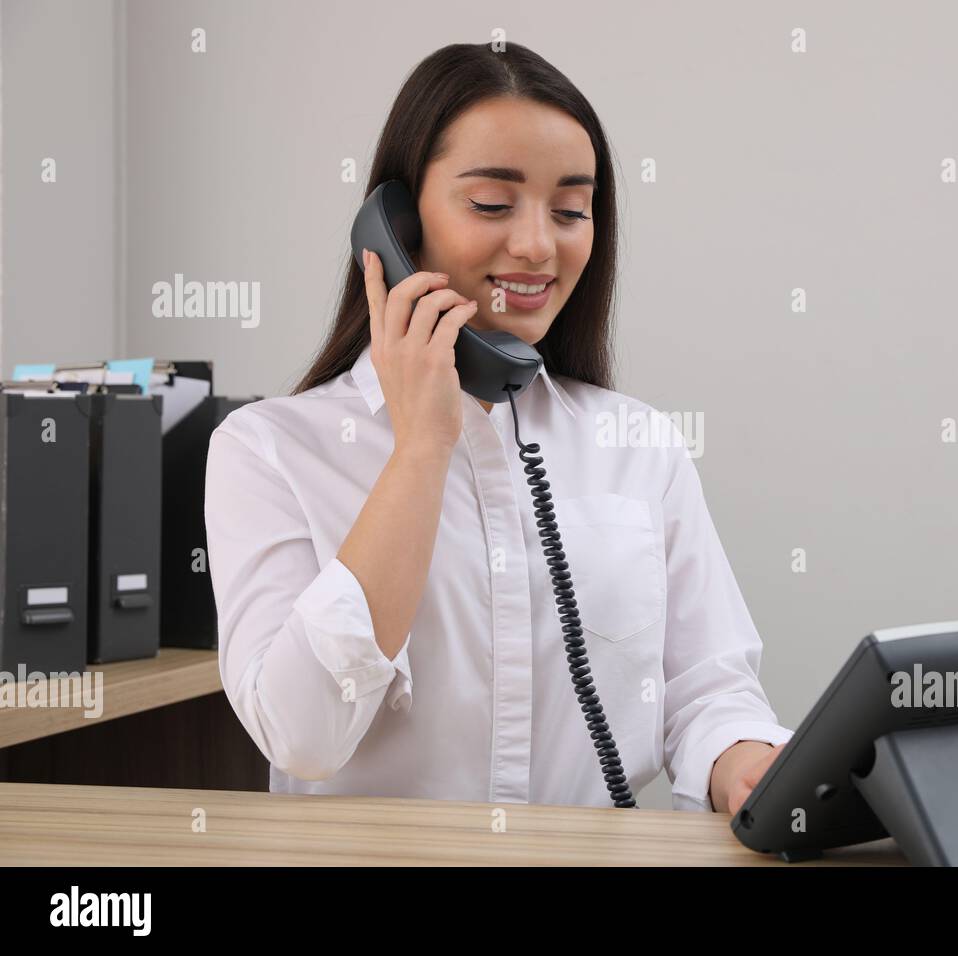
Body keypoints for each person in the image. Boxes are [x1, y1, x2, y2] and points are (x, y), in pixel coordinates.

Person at [204, 42, 790, 814]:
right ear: (395, 227)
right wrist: (421, 447)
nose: (538, 245)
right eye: (491, 204)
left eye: (572, 210)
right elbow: (303, 735)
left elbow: (708, 687)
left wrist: (742, 758)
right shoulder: (268, 451)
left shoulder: (638, 446)